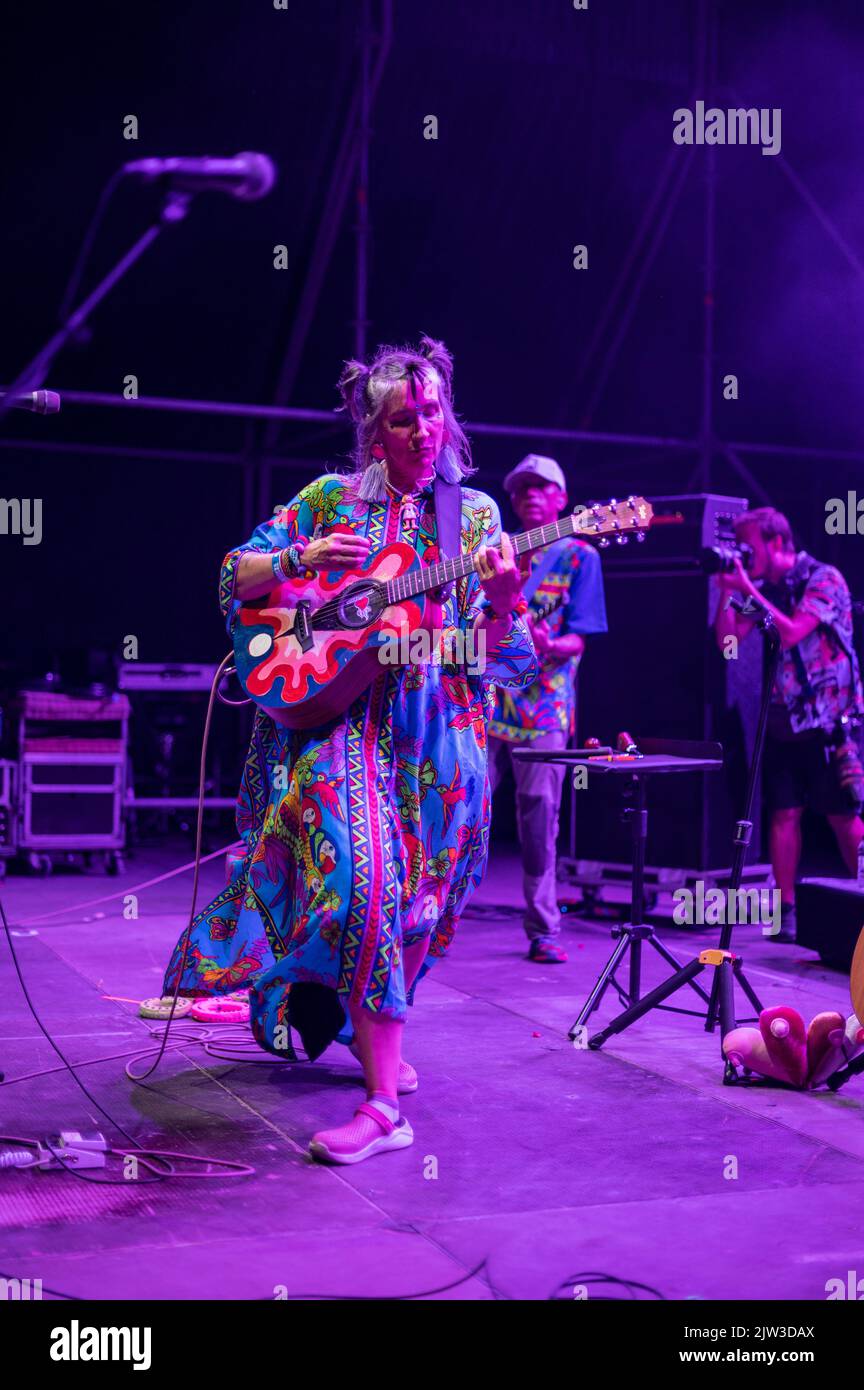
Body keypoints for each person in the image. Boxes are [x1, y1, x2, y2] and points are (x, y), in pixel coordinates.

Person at [162, 335, 537, 1163]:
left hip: (440, 744)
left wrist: (504, 605)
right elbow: (235, 578)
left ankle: (379, 1049)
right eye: (405, 418)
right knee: (362, 884)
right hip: (344, 734)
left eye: (435, 412)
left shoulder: (474, 518)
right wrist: (299, 557)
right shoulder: (331, 501)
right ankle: (381, 1108)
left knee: (417, 910)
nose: (424, 429)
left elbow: (497, 659)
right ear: (375, 431)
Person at [714, 506, 864, 942]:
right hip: (781, 721)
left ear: (776, 542)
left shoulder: (824, 578)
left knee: (842, 814)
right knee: (783, 813)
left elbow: (796, 630)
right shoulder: (761, 589)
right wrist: (728, 592)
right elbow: (727, 645)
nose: (743, 553)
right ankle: (784, 912)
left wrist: (744, 586)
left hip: (829, 719)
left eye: (749, 545)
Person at [487, 455, 608, 962]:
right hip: (489, 698)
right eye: (521, 489)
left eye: (543, 487)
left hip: (545, 708)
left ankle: (543, 928)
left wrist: (547, 643)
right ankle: (431, 919)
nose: (531, 495)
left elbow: (581, 639)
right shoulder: (495, 551)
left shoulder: (581, 556)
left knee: (540, 814)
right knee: (461, 802)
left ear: (561, 498)